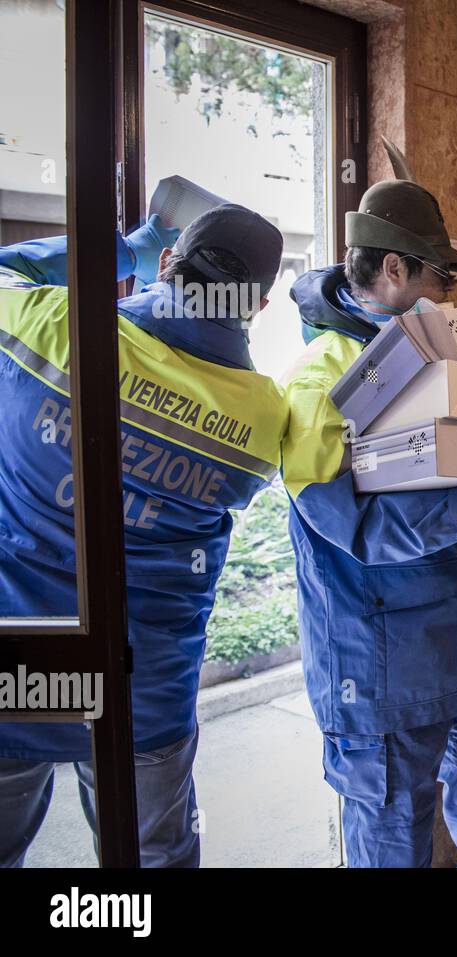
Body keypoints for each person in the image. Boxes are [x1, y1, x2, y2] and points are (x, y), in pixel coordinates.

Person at [0, 204, 287, 866]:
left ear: (167, 262)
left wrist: (122, 250)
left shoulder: (50, 327)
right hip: (143, 690)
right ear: (261, 303)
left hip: (22, 667)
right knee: (153, 864)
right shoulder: (263, 417)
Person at [281, 163, 457, 867]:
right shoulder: (319, 383)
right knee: (393, 838)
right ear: (396, 268)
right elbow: (353, 528)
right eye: (441, 283)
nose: (447, 302)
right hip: (380, 671)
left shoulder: (429, 357)